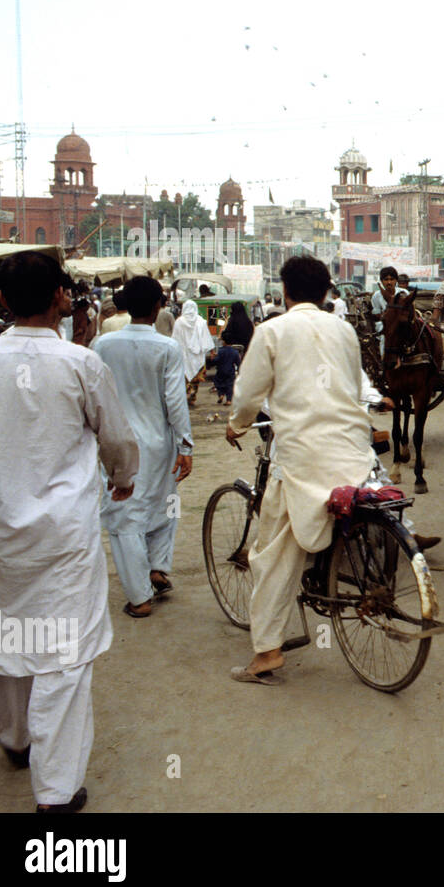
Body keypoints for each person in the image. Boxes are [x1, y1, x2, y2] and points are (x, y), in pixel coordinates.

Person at [0, 250, 139, 812]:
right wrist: (124, 478)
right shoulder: (81, 364)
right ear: (60, 299)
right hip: (65, 537)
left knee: (6, 633)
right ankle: (56, 791)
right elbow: (116, 439)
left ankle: (16, 740)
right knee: (64, 657)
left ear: (0, 301)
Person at [224, 255, 378, 685]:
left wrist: (237, 424)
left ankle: (267, 651)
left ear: (285, 291)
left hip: (302, 456)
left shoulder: (273, 330)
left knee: (272, 554)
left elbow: (249, 392)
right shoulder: (344, 329)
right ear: (328, 291)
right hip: (353, 451)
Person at [92, 276, 194, 619]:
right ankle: (157, 569)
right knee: (165, 505)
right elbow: (175, 401)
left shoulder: (102, 345)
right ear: (157, 307)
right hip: (158, 442)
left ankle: (140, 596)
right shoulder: (167, 348)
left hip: (117, 443)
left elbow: (96, 398)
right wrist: (185, 446)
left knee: (125, 518)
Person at [171, 300, 214, 406]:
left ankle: (185, 395)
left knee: (184, 377)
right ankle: (193, 396)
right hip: (197, 355)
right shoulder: (201, 321)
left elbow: (175, 339)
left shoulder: (179, 321)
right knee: (196, 378)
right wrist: (211, 351)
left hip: (183, 355)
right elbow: (206, 339)